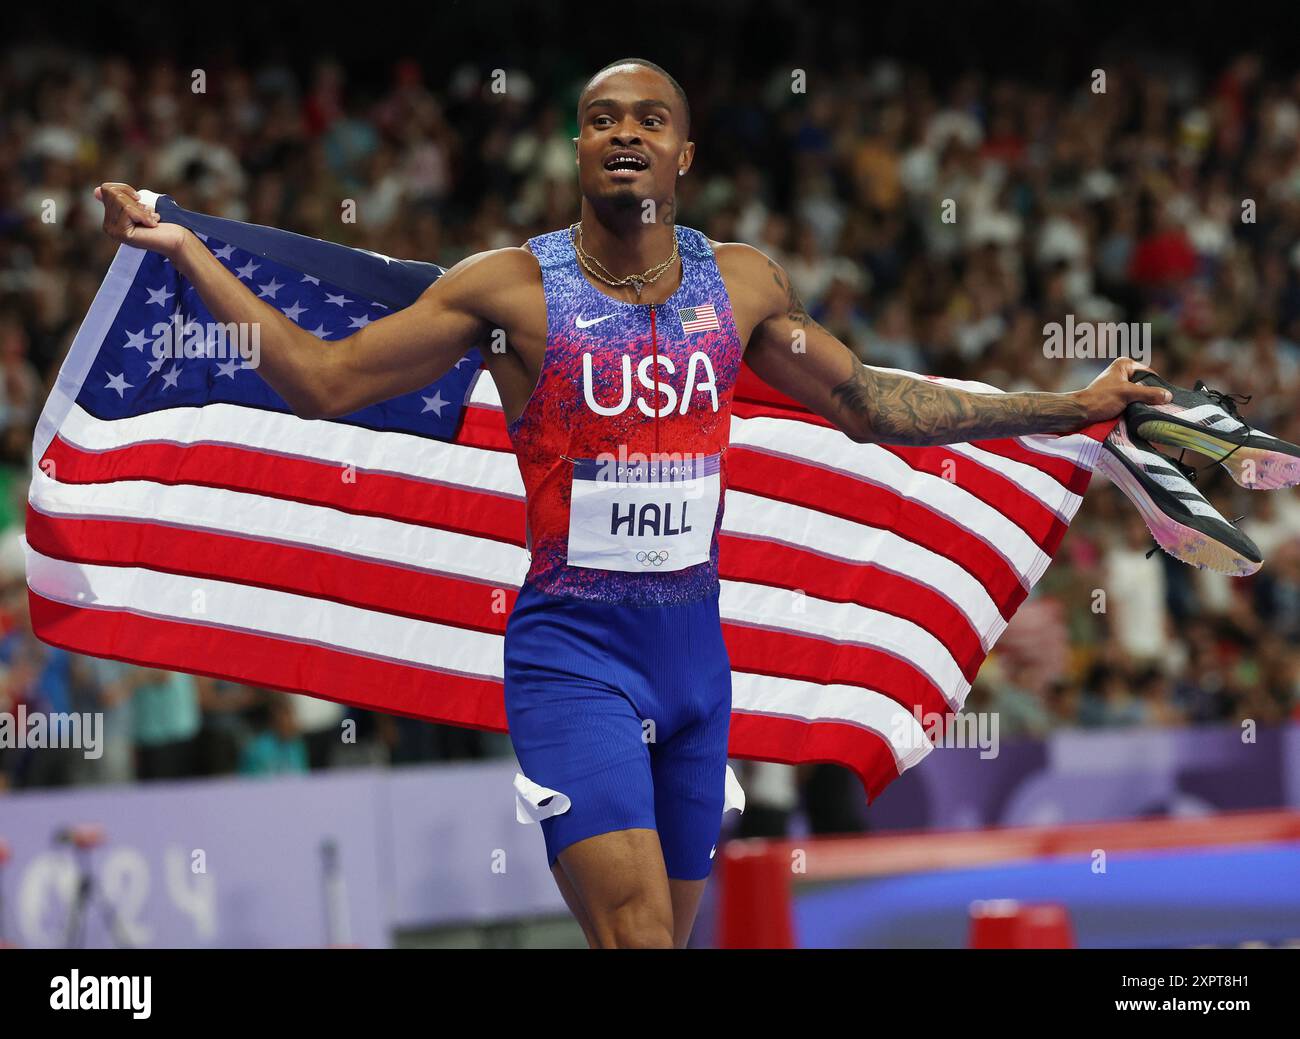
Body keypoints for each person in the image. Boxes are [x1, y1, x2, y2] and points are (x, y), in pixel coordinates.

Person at [95, 58, 1171, 948]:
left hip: (698, 665)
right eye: (601, 120)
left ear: (682, 154)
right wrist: (189, 251)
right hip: (575, 658)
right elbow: (324, 381)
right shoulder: (505, 288)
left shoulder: (744, 284)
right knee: (640, 940)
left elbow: (874, 404)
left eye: (649, 120)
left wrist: (1068, 406)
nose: (624, 135)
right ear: (575, 150)